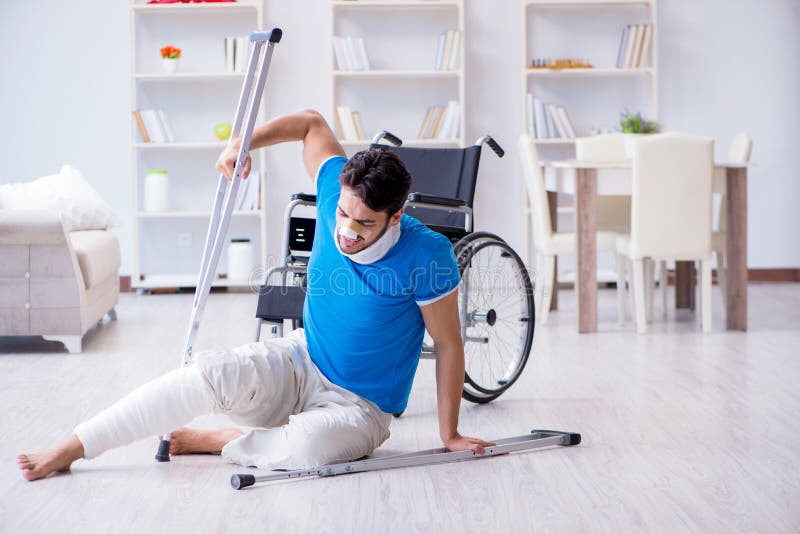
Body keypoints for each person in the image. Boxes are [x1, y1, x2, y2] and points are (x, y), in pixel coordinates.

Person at [17, 109, 494, 481]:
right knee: (212, 372)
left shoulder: (427, 253)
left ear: (395, 216)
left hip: (360, 406)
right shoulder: (334, 189)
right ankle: (75, 445)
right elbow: (310, 123)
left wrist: (448, 434)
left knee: (310, 448)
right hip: (303, 358)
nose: (345, 231)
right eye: (343, 214)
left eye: (364, 223)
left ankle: (226, 440)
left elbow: (449, 344)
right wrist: (242, 145)